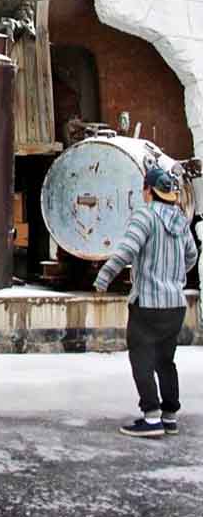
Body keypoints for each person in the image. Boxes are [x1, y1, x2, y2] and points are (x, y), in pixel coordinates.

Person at [94, 167, 197, 438]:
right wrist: (173, 276)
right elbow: (191, 255)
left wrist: (104, 277)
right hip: (175, 305)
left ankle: (151, 417)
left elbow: (127, 249)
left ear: (148, 190)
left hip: (148, 304)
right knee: (166, 361)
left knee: (142, 359)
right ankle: (169, 416)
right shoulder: (180, 219)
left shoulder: (145, 216)